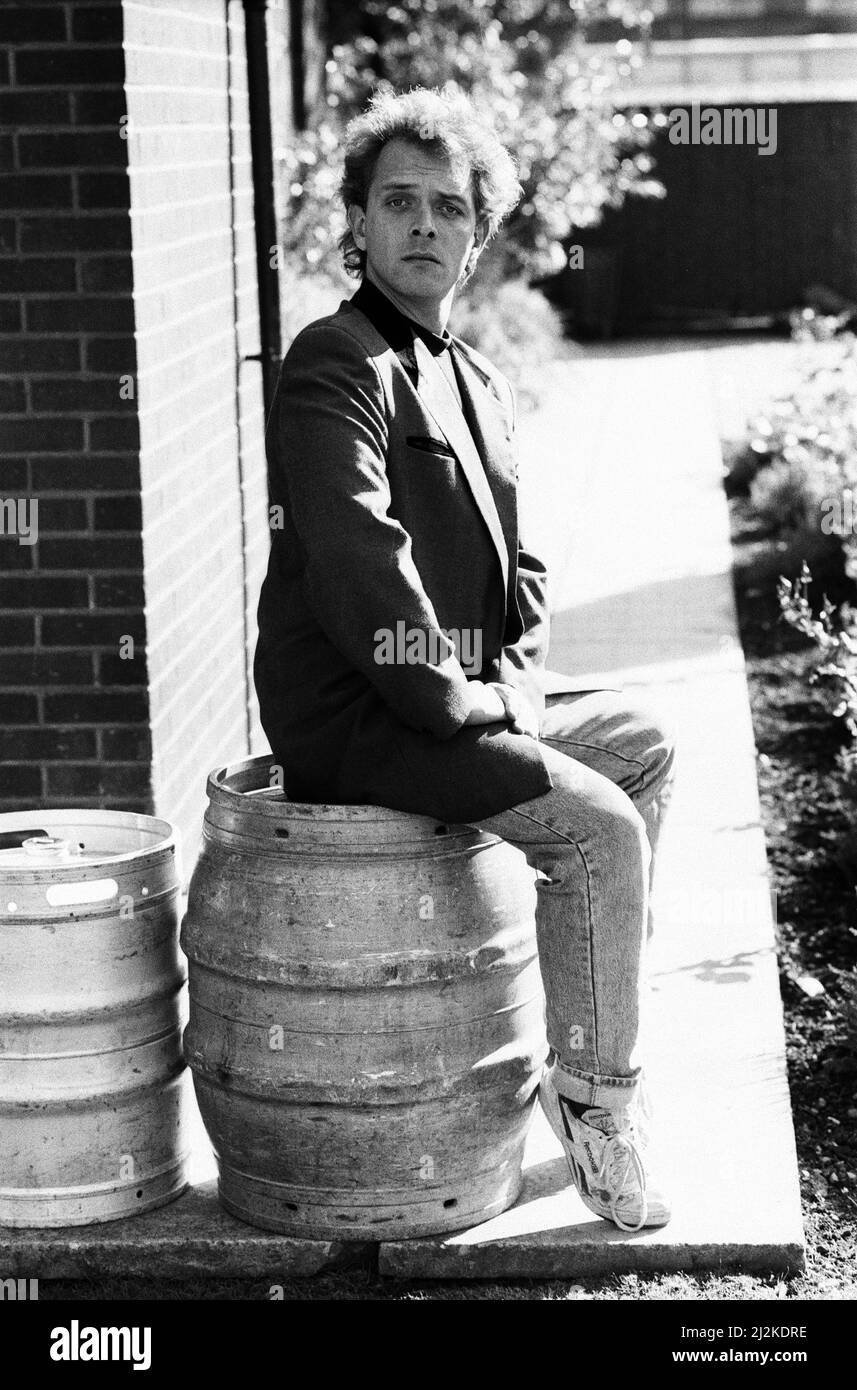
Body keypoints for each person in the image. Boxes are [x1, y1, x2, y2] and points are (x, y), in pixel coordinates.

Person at [254, 86, 677, 1232]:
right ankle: (598, 1107)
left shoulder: (472, 377)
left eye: (449, 207)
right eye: (398, 202)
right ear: (356, 220)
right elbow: (358, 570)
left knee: (642, 745)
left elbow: (524, 572)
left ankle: (578, 1039)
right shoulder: (332, 363)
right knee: (598, 827)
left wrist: (518, 691)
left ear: (479, 236)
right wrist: (472, 708)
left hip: (458, 703)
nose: (424, 226)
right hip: (361, 717)